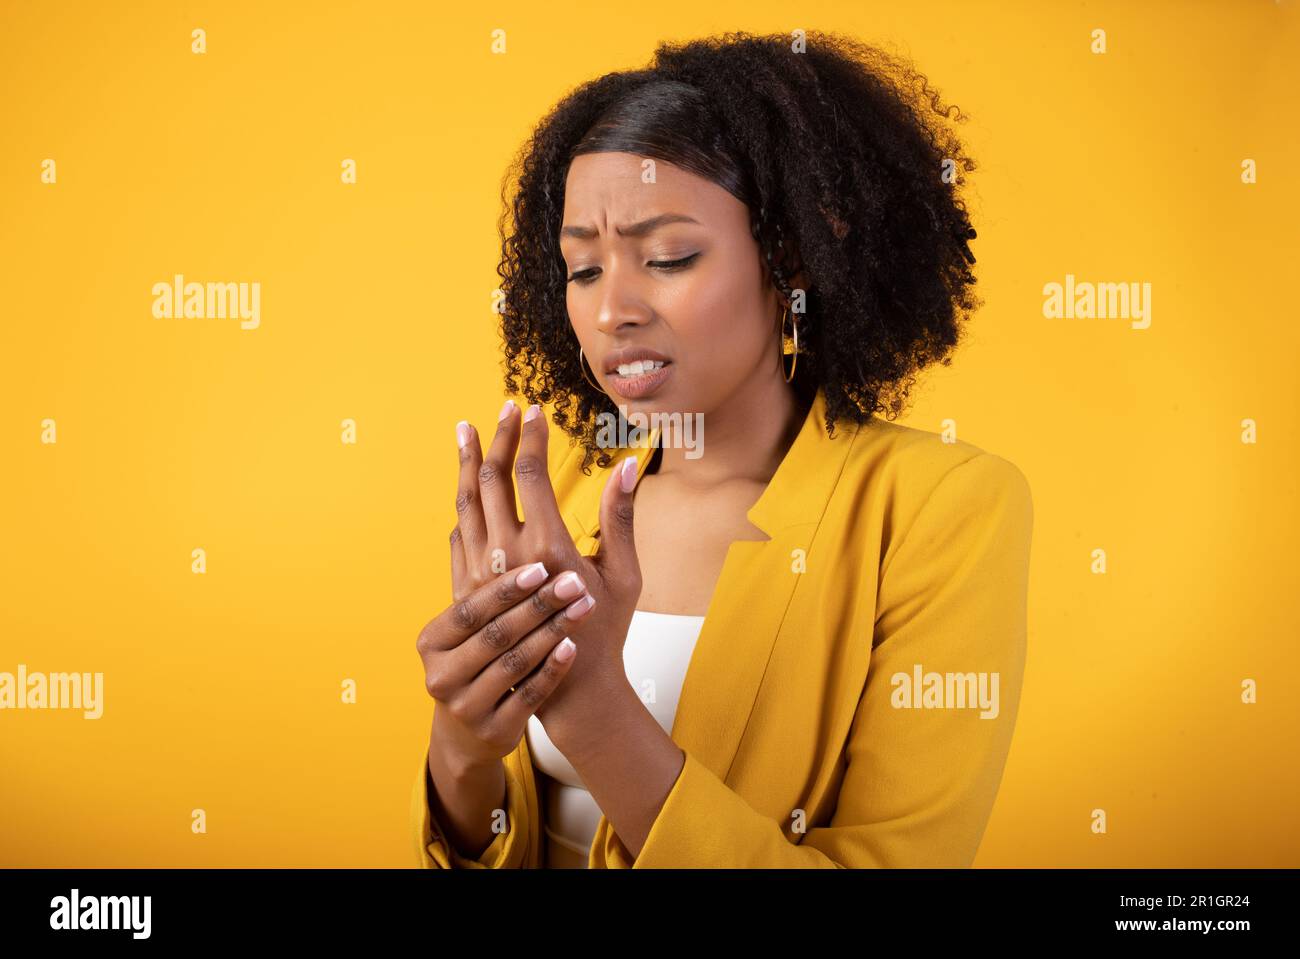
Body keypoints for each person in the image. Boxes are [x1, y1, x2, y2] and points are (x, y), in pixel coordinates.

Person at [412, 29, 1033, 868]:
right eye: (583, 270)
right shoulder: (561, 486)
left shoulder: (940, 508)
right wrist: (463, 740)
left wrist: (596, 710)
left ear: (792, 259)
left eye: (667, 256)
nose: (610, 311)